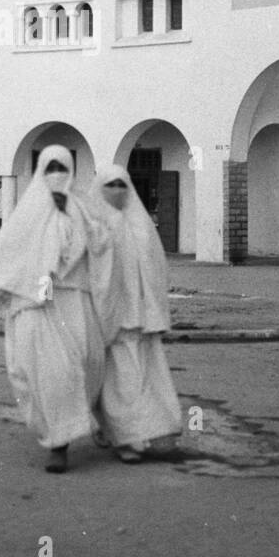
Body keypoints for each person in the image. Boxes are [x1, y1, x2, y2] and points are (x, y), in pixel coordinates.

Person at [0, 146, 110, 474]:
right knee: (51, 374)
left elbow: (99, 244)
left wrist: (74, 212)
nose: (57, 173)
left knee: (90, 363)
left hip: (75, 300)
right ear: (41, 169)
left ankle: (91, 421)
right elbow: (6, 250)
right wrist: (7, 286)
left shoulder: (81, 206)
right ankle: (59, 444)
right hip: (38, 303)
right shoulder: (27, 210)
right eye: (50, 167)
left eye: (62, 167)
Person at [86, 164, 182, 464]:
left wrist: (154, 308)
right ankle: (125, 436)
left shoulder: (139, 223)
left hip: (141, 314)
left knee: (143, 377)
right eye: (110, 185)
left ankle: (144, 431)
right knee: (121, 380)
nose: (117, 191)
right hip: (110, 315)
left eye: (122, 184)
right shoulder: (93, 225)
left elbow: (156, 267)